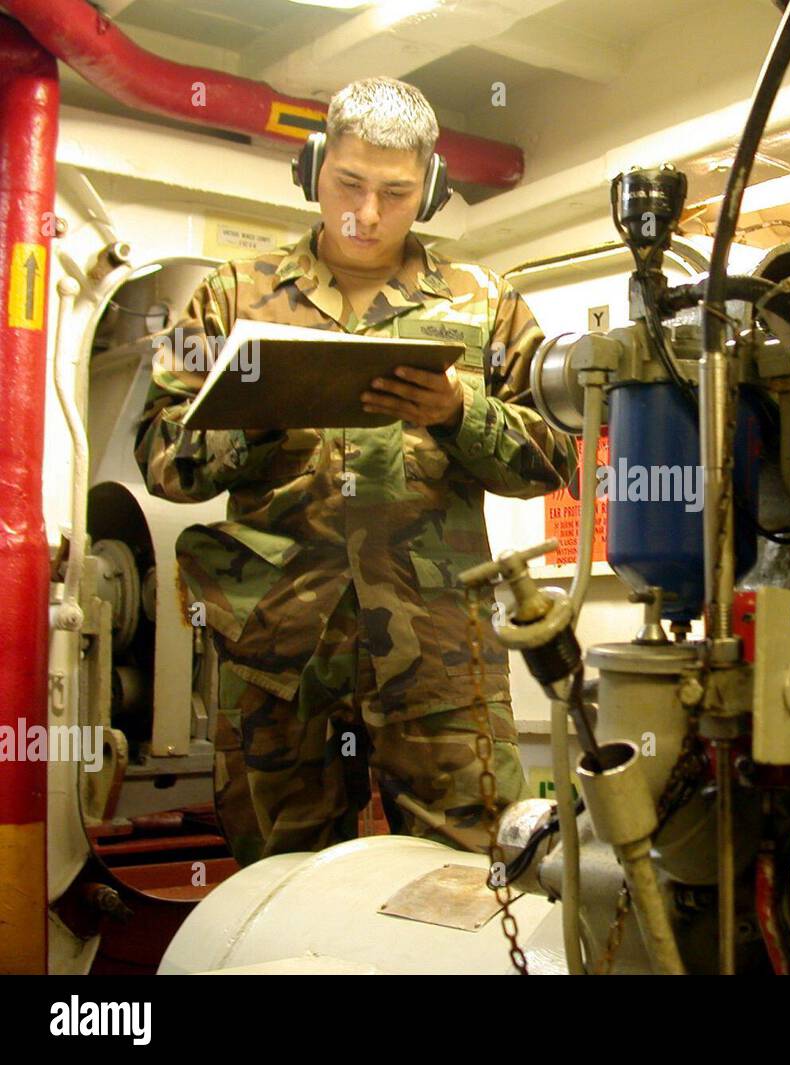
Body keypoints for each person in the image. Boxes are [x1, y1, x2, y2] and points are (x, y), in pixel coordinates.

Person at [135, 77, 575, 865]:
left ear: (432, 190)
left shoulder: (487, 304)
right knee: (274, 889)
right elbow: (161, 459)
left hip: (439, 655)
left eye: (396, 193)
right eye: (349, 184)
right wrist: (252, 418)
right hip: (275, 656)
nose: (366, 214)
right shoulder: (233, 297)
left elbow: (554, 458)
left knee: (471, 880)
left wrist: (456, 412)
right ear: (313, 170)